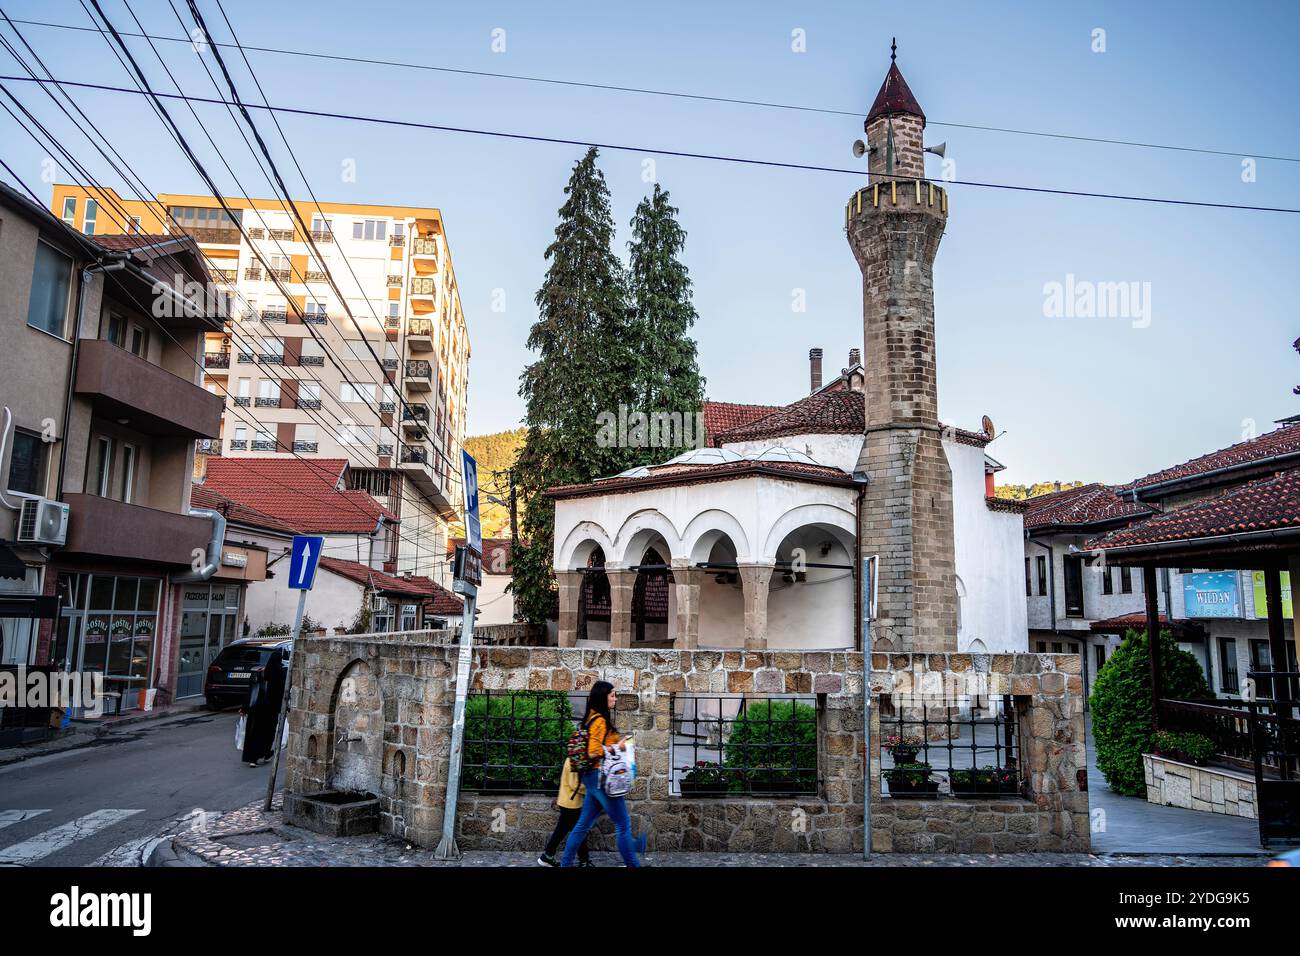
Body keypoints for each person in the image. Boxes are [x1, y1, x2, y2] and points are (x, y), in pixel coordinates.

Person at [560, 680, 645, 867]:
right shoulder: (598, 720)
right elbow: (593, 751)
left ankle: (565, 864)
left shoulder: (592, 717)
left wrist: (616, 743)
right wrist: (618, 747)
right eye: (612, 695)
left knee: (582, 826)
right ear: (603, 697)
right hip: (601, 778)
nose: (615, 699)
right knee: (623, 825)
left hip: (592, 778)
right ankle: (633, 865)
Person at [537, 756, 592, 867]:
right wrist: (591, 788)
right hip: (571, 804)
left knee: (564, 831)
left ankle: (547, 856)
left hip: (569, 802)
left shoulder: (574, 758)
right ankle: (583, 861)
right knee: (578, 832)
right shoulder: (574, 760)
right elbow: (574, 785)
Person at [241, 646, 287, 767]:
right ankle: (264, 753)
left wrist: (245, 707)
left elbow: (252, 691)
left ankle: (253, 758)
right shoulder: (280, 674)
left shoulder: (261, 673)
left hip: (256, 709)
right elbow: (283, 693)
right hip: (271, 710)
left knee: (254, 733)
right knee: (267, 734)